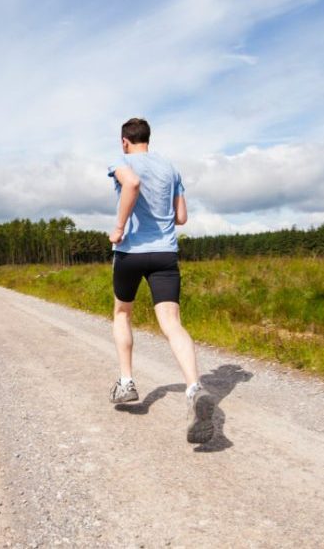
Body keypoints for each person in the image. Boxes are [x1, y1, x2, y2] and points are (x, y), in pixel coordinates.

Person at [106, 117, 210, 443]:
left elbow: (132, 184)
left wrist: (120, 227)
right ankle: (194, 387)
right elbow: (181, 217)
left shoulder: (121, 161)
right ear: (148, 139)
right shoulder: (170, 168)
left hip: (130, 252)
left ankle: (126, 383)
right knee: (171, 323)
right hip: (165, 253)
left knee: (123, 313)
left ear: (125, 141)